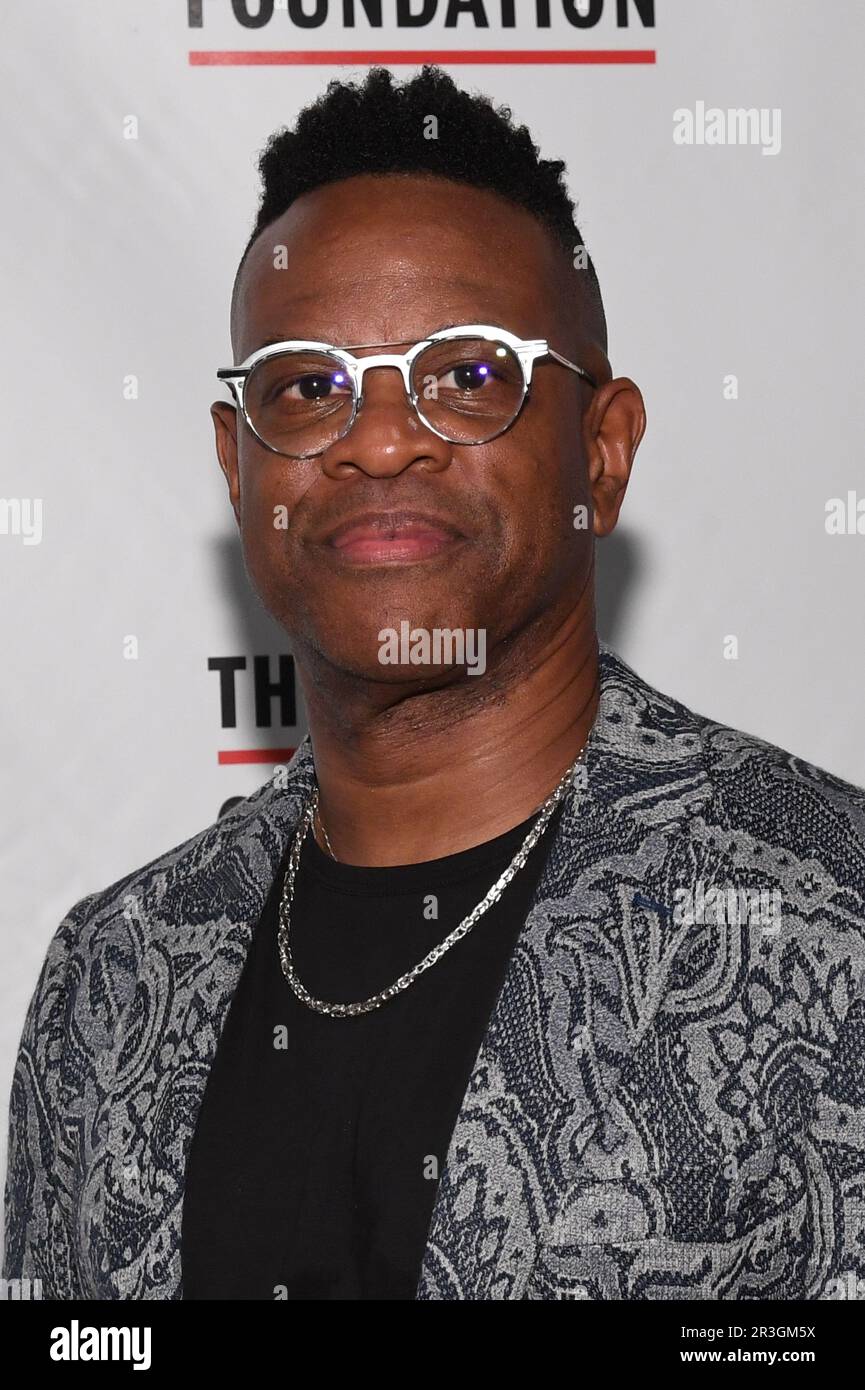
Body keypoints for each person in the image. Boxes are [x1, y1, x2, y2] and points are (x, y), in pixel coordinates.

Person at [4, 66, 864, 1302]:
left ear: (602, 451)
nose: (380, 438)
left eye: (467, 374)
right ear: (237, 465)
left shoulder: (825, 916)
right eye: (309, 386)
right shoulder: (114, 973)